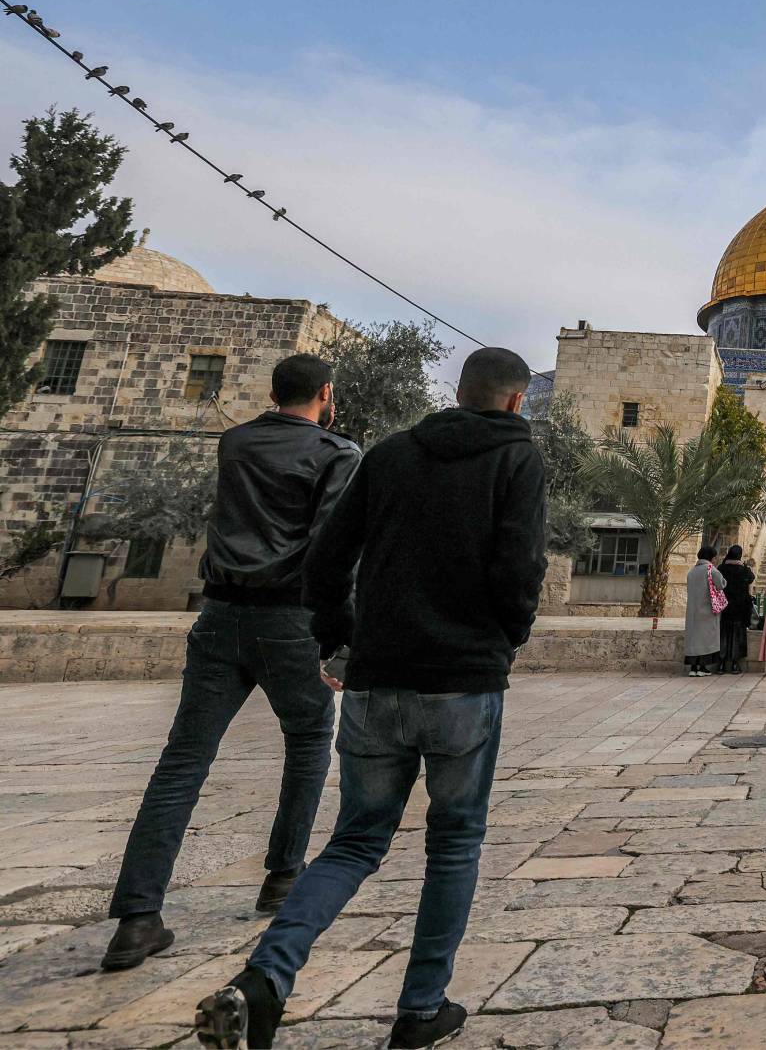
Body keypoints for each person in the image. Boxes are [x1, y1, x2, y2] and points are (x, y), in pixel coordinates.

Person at [194, 347, 544, 1050]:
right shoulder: (518, 459)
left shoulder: (388, 453)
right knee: (453, 843)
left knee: (354, 840)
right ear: (514, 401)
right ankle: (419, 1010)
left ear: (459, 390)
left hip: (377, 679)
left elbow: (323, 560)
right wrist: (504, 637)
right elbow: (519, 566)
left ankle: (266, 976)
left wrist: (341, 638)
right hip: (463, 683)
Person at [102, 354, 360, 975]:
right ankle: (282, 875)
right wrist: (342, 639)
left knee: (183, 760)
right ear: (326, 394)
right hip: (290, 619)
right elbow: (332, 550)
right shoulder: (336, 454)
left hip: (219, 615)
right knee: (306, 741)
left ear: (273, 391)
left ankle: (138, 917)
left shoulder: (235, 442)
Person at [683, 545, 725, 677]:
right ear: (712, 558)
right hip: (707, 610)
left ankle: (693, 667)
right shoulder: (711, 570)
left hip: (693, 611)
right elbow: (722, 584)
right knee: (706, 640)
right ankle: (702, 667)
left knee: (694, 639)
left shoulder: (692, 572)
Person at [717, 546, 753, 674]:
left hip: (725, 608)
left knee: (723, 634)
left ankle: (720, 664)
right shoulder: (744, 570)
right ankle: (734, 664)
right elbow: (751, 578)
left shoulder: (721, 569)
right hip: (740, 608)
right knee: (737, 636)